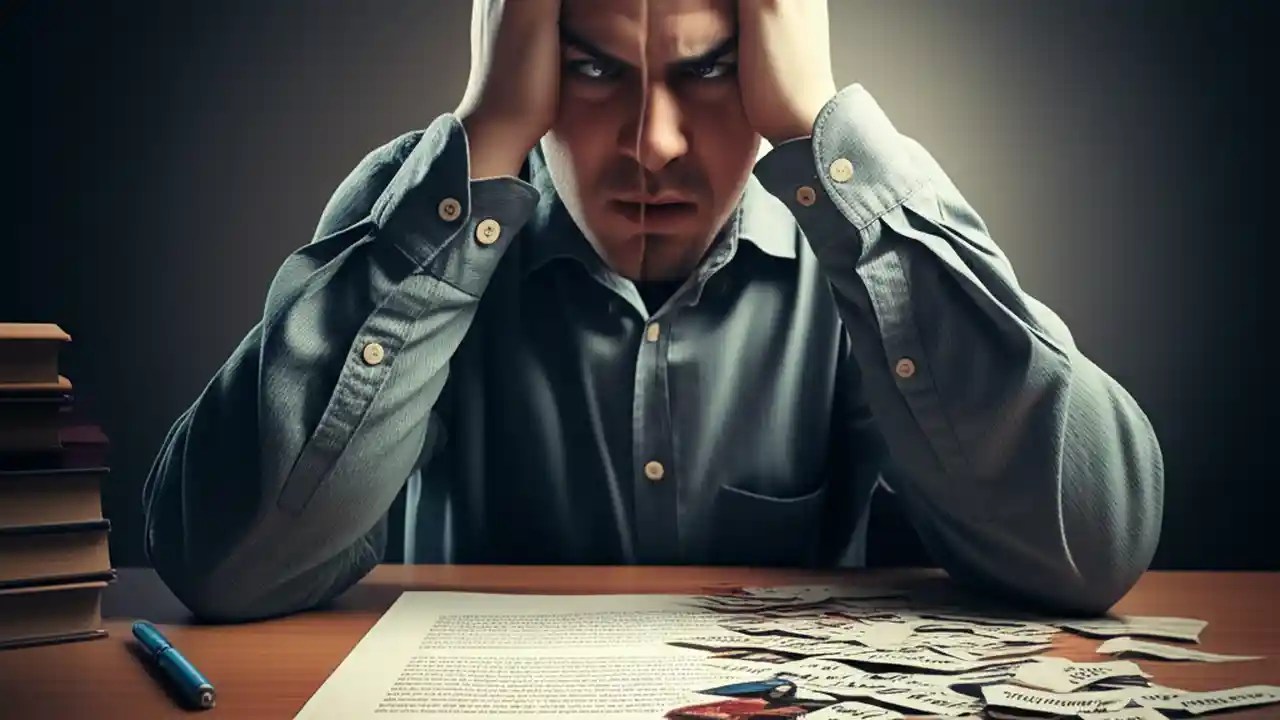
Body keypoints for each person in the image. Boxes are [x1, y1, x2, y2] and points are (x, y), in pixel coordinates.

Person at [141, 0, 1163, 623]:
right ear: (525, 62)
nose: (653, 144)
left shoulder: (851, 242)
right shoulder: (421, 215)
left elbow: (1090, 548)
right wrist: (487, 124)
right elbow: (224, 567)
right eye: (589, 68)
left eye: (709, 68)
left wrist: (814, 118)